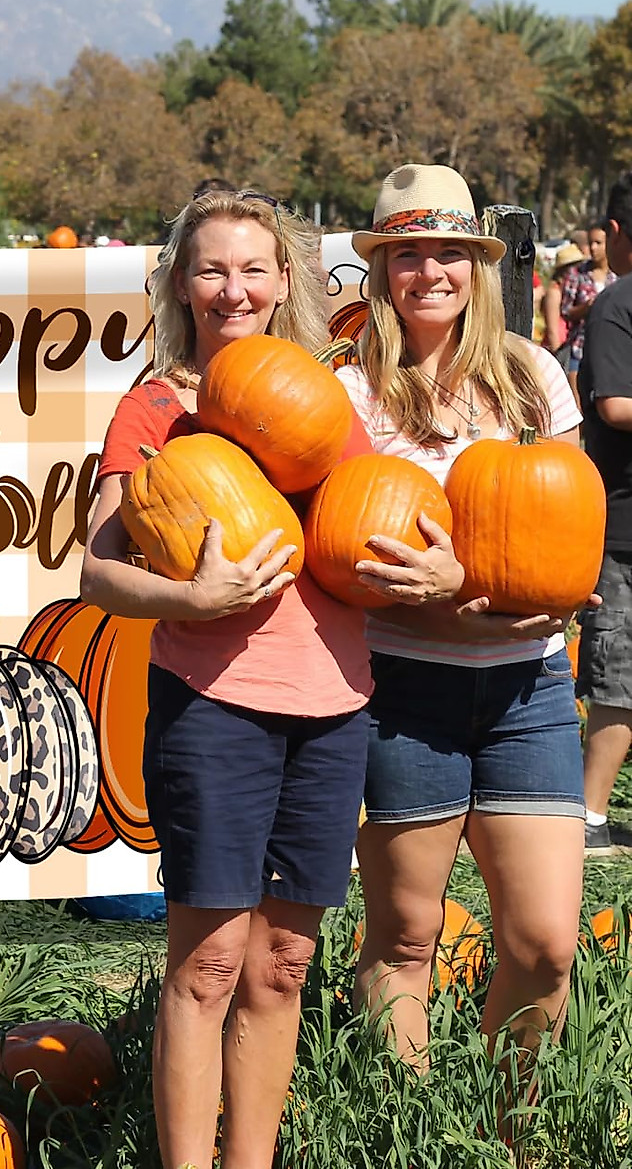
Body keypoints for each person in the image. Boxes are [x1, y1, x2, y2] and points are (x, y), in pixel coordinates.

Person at [80, 188, 378, 1169]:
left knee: (283, 968)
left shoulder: (326, 400)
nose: (233, 289)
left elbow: (374, 519)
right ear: (179, 282)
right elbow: (97, 568)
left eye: (254, 269)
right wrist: (189, 603)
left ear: (285, 280)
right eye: (211, 268)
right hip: (214, 708)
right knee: (207, 965)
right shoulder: (156, 405)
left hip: (334, 705)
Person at [337, 165, 589, 1105]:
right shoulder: (351, 392)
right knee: (406, 939)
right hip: (404, 690)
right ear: (382, 271)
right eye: (409, 254)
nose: (430, 271)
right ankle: (405, 1132)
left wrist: (527, 590)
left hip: (527, 694)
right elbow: (340, 551)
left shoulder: (530, 376)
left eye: (449, 252)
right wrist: (455, 588)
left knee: (545, 944)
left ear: (480, 266)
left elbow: (567, 528)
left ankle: (507, 1129)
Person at [575, 172, 632, 856]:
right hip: (621, 525)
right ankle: (589, 814)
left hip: (618, 527)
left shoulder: (616, 302)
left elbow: (613, 404)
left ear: (615, 234)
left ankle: (589, 813)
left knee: (617, 678)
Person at [560, 217, 617, 398]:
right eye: (590, 242)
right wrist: (587, 307)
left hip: (611, 349)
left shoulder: (618, 276)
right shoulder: (576, 274)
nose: (593, 248)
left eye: (598, 243)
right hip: (580, 348)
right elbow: (566, 312)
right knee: (578, 404)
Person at [541, 242, 585, 369]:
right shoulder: (554, 292)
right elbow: (552, 331)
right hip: (558, 351)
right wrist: (557, 358)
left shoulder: (567, 291)